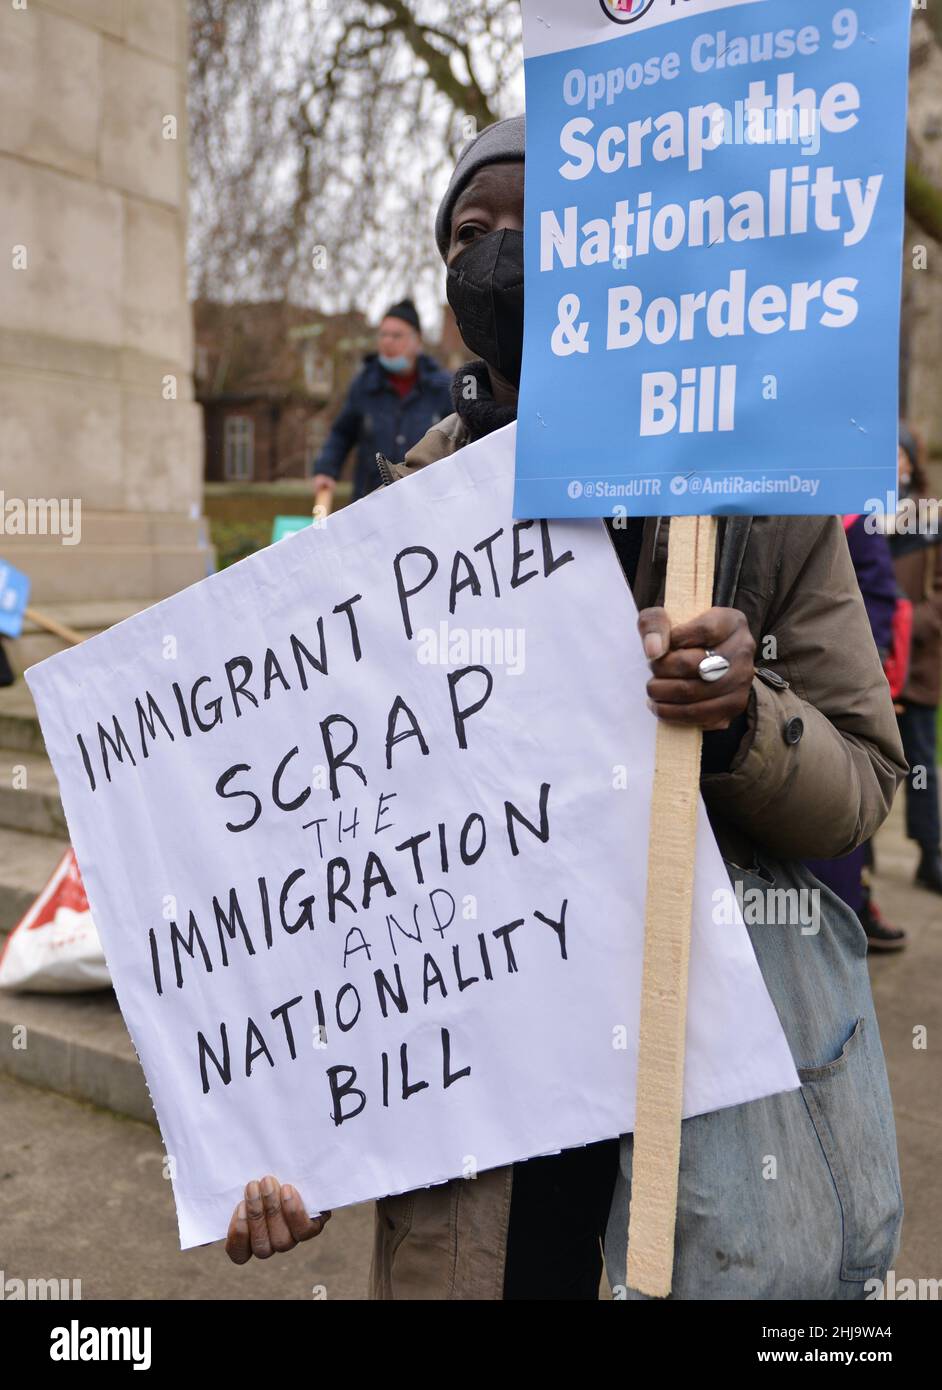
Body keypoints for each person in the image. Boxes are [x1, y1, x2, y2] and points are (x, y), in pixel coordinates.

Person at [225, 116, 907, 1300]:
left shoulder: (754, 487)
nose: (495, 256)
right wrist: (290, 1133)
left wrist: (744, 724)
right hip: (496, 1112)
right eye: (468, 236)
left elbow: (864, 785)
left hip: (708, 1083)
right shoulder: (410, 513)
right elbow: (342, 851)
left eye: (530, 228)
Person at [805, 513, 909, 951]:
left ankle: (846, 921)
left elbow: (879, 599)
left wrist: (867, 672)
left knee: (837, 807)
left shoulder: (852, 520)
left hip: (830, 690)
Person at [309, 299, 452, 503]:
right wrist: (326, 470)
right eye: (383, 334)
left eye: (396, 335)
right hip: (370, 504)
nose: (387, 341)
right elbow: (341, 433)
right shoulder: (364, 385)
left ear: (417, 341)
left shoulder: (442, 387)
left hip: (426, 504)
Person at [888, 424, 942, 895]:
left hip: (919, 664)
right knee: (869, 760)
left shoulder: (931, 517)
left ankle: (931, 854)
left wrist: (912, 622)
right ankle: (857, 861)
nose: (895, 463)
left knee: (922, 763)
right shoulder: (869, 516)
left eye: (900, 454)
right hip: (875, 662)